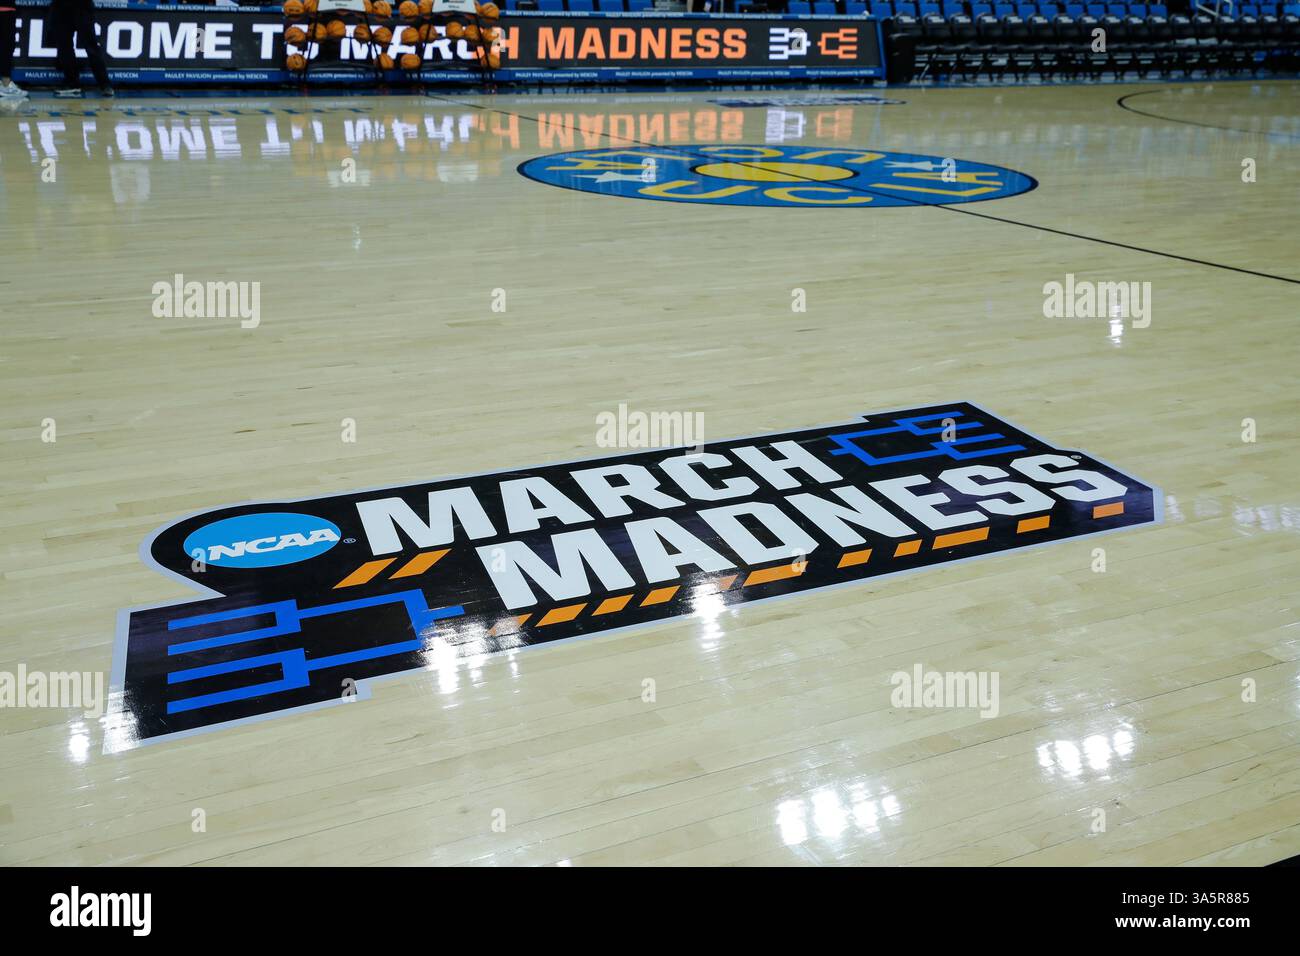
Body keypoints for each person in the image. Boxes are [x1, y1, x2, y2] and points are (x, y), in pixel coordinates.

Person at [49, 0, 113, 97]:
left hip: (82, 6)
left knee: (91, 45)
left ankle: (105, 84)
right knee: (64, 46)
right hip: (60, 7)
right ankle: (72, 83)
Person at [0, 2, 27, 98]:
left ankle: (5, 84)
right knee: (6, 47)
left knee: (6, 47)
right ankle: (5, 85)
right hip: (5, 9)